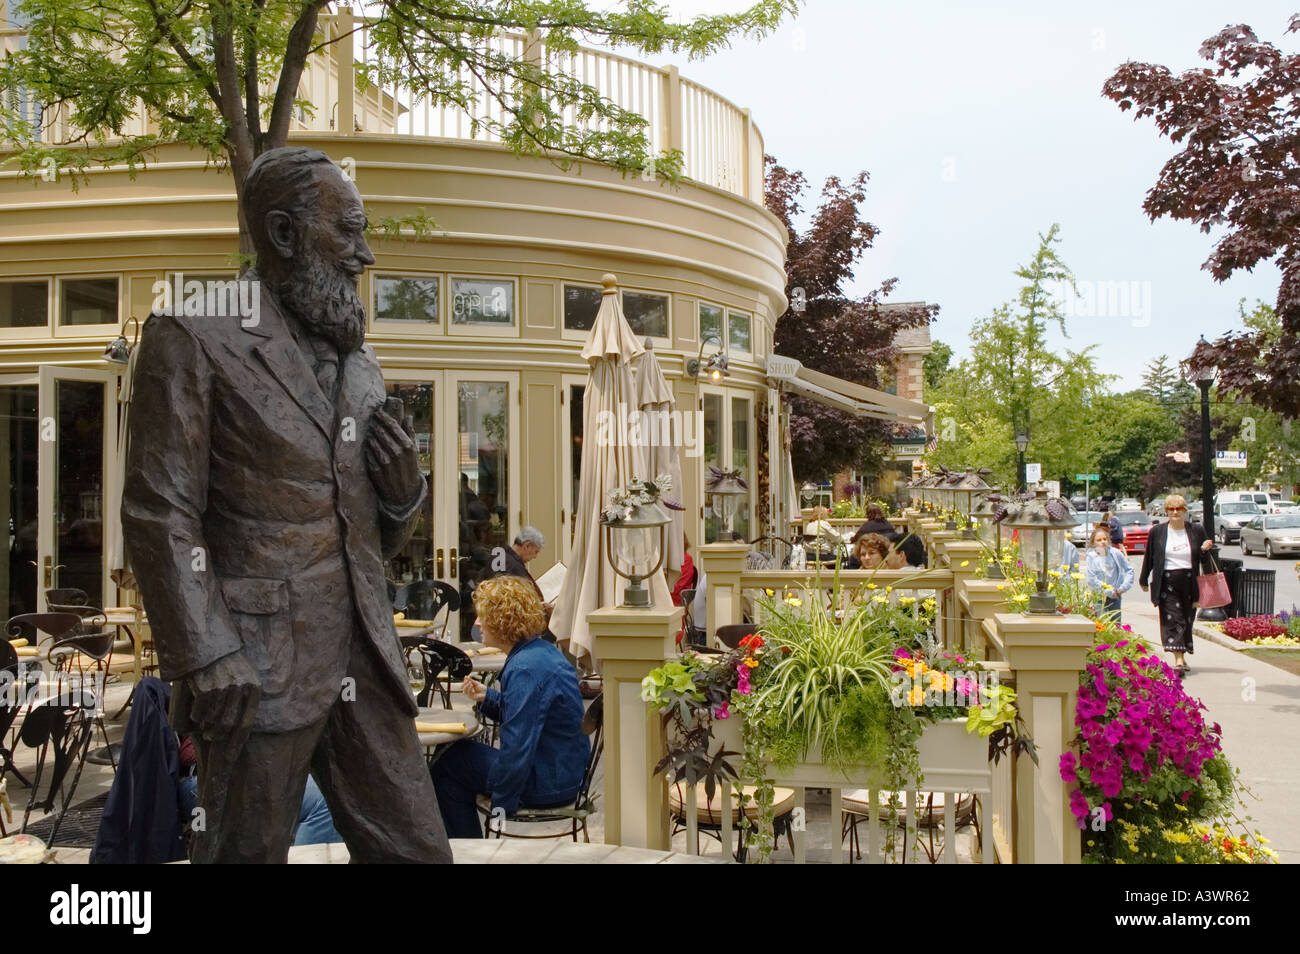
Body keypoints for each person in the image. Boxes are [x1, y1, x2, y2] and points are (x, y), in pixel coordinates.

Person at [121, 147, 451, 863]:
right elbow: (159, 511)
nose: (365, 255)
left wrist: (402, 498)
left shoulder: (363, 367)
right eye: (350, 232)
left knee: (419, 851)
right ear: (282, 233)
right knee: (244, 852)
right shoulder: (193, 337)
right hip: (254, 665)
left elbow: (361, 532)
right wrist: (208, 651)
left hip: (362, 654)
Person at [430, 576, 588, 838]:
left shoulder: (525, 668)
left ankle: (470, 853)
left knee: (445, 766)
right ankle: (467, 846)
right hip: (564, 771)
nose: (477, 623)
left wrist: (502, 804)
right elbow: (532, 716)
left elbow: (519, 746)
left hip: (547, 781)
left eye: (482, 617)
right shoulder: (541, 652)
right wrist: (488, 697)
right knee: (453, 755)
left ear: (502, 621)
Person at [1139, 494, 1213, 674]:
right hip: (1166, 581)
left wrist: (1204, 550)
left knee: (1187, 619)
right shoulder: (1158, 531)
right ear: (1166, 511)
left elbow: (1203, 559)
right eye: (1170, 509)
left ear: (1185, 511)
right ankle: (1178, 660)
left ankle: (1182, 654)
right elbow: (1150, 556)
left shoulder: (1196, 530)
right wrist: (1144, 579)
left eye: (1178, 508)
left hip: (1190, 581)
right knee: (1173, 618)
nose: (1174, 512)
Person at [1084, 526, 1134, 621]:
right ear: (1093, 543)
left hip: (1115, 596)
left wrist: (1122, 588)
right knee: (1101, 624)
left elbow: (1129, 570)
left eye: (1104, 539)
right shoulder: (1091, 557)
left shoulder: (1115, 553)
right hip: (1099, 596)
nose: (1102, 541)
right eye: (1099, 540)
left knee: (1115, 627)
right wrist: (1108, 592)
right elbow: (1091, 579)